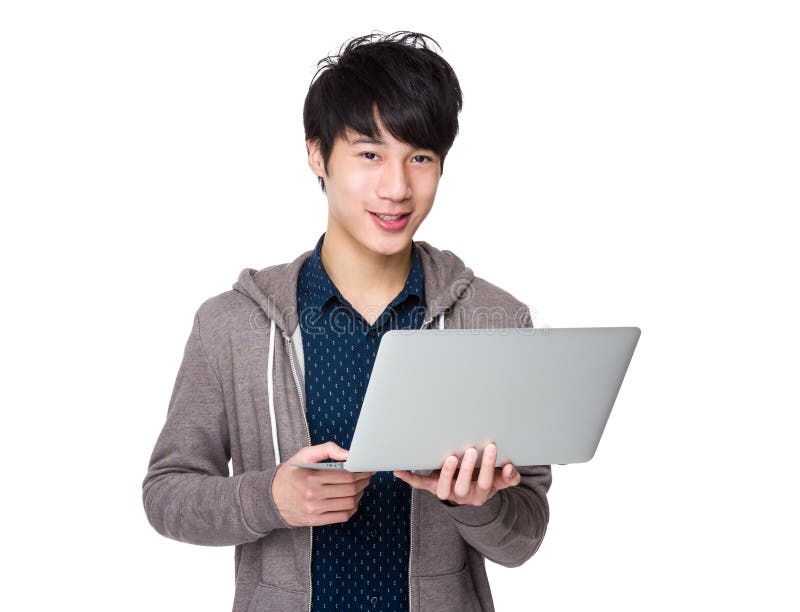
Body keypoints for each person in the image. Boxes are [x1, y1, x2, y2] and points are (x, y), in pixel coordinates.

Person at [142, 30, 552, 612]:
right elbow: (166, 495)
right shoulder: (229, 325)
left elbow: (524, 538)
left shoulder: (496, 321)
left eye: (420, 158)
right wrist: (271, 500)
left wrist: (475, 503)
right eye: (369, 154)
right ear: (317, 154)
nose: (397, 188)